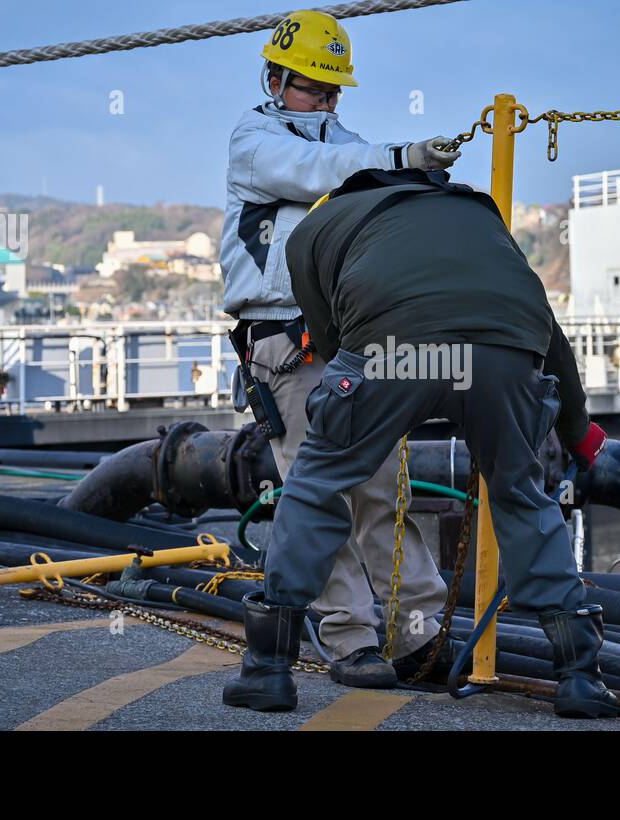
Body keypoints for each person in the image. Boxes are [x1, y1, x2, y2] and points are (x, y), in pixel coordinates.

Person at [222, 168, 615, 718]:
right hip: (502, 358)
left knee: (316, 487)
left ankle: (267, 671)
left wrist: (373, 413)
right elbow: (551, 336)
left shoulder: (316, 226)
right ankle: (580, 679)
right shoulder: (480, 214)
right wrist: (578, 434)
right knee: (522, 496)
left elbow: (335, 342)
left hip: (391, 352)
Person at [219, 9, 463, 688]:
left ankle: (418, 633)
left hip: (350, 341)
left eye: (331, 92)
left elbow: (363, 191)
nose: (323, 102)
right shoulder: (256, 140)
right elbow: (317, 171)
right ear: (276, 81)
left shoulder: (352, 146)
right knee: (317, 493)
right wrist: (399, 161)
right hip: (283, 342)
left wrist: (415, 181)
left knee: (385, 487)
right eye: (310, 88)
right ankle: (350, 639)